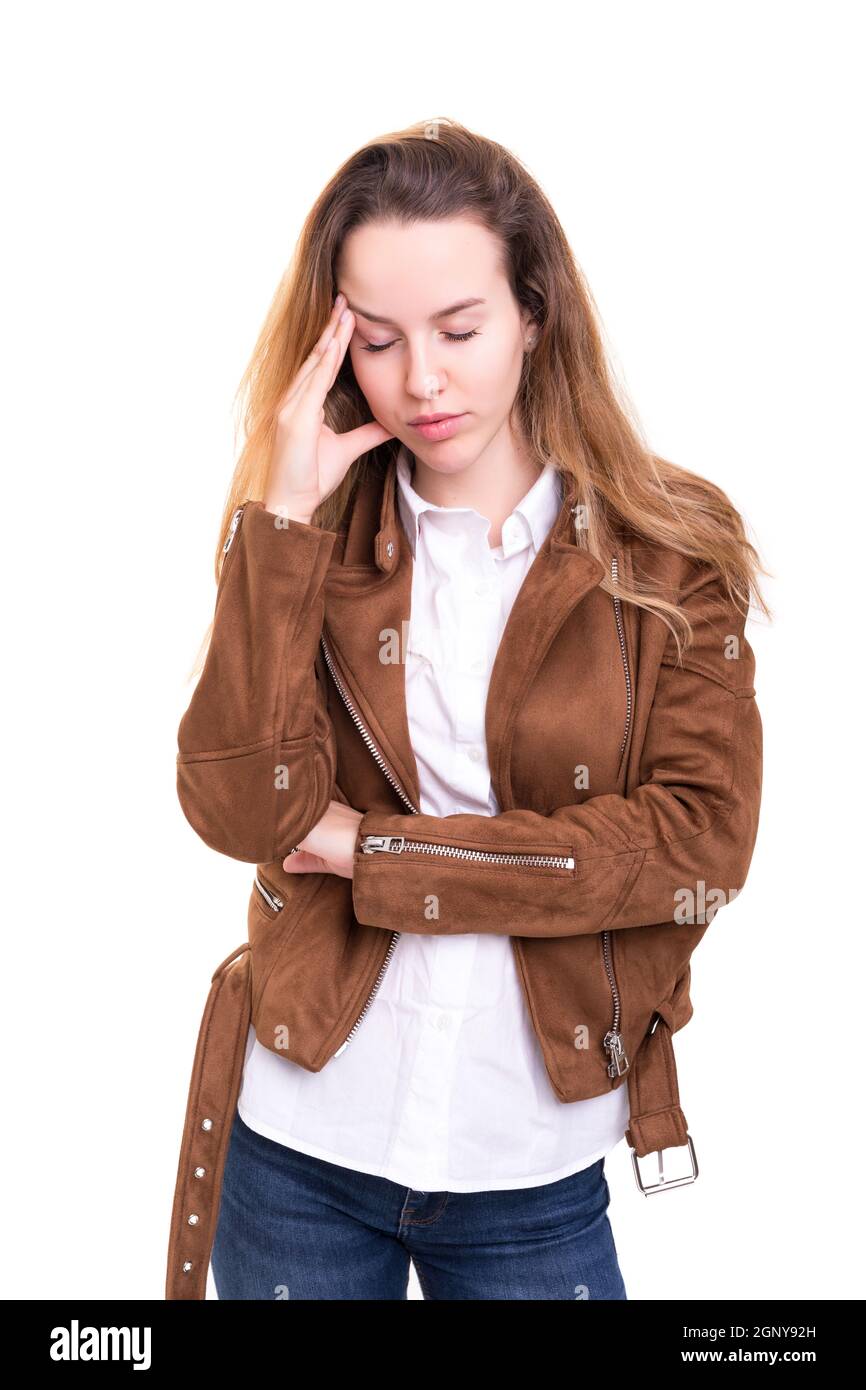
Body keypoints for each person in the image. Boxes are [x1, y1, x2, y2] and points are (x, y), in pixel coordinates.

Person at [171, 118, 767, 1301]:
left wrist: (377, 851)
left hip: (527, 1161)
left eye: (458, 329)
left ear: (533, 313)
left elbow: (693, 844)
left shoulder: (668, 550)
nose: (421, 381)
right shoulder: (306, 533)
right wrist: (277, 525)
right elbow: (240, 809)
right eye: (376, 339)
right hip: (295, 1141)